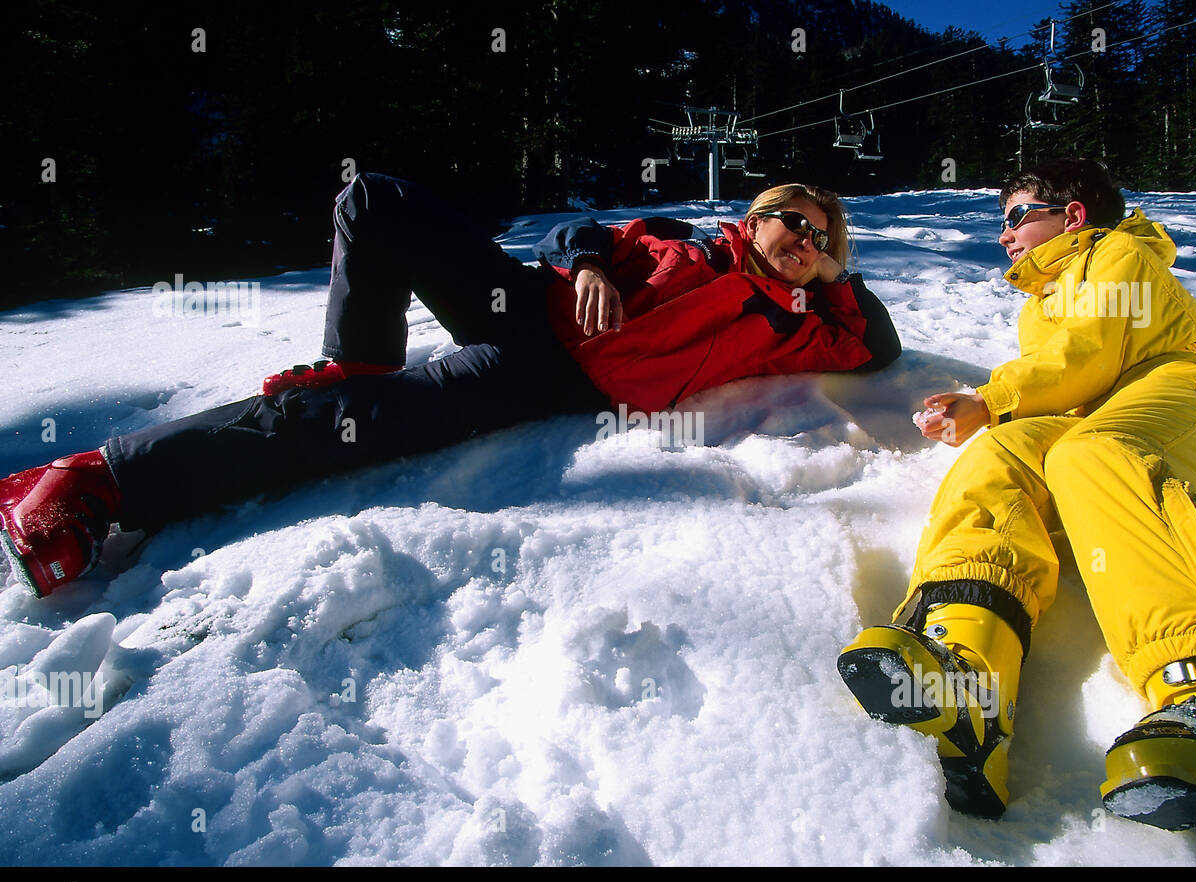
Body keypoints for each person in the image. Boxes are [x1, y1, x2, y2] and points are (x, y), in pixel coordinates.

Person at [0, 172, 900, 598]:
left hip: (548, 376)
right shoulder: (687, 234)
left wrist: (831, 276)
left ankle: (101, 482)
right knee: (374, 200)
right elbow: (582, 232)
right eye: (790, 218)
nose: (801, 238)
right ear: (757, 212)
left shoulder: (800, 322)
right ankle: (358, 356)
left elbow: (877, 346)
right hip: (531, 301)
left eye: (820, 237)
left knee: (352, 424)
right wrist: (587, 264)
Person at [836, 158, 1196, 861]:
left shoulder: (1122, 250)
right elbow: (1064, 387)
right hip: (1093, 420)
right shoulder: (1039, 303)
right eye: (1002, 223)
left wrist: (992, 398)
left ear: (1073, 215)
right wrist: (996, 419)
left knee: (1091, 455)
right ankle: (969, 670)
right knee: (1000, 457)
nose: (1005, 236)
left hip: (1176, 393)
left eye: (1018, 216)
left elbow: (1090, 352)